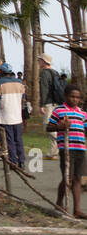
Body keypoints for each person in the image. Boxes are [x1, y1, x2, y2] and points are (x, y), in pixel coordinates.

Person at [46, 84, 86, 218]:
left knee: (77, 179)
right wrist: (60, 126)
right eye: (72, 96)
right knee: (67, 178)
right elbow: (49, 127)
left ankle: (77, 210)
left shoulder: (82, 113)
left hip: (80, 148)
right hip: (66, 149)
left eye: (77, 98)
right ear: (66, 96)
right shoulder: (59, 111)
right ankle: (59, 202)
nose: (75, 99)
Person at [0, 62, 26, 169]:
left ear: (2, 72)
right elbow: (22, 100)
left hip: (4, 116)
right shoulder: (20, 83)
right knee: (18, 139)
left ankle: (13, 161)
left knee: (9, 140)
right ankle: (21, 161)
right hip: (17, 116)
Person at [39, 53, 66, 160]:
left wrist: (42, 105)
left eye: (40, 60)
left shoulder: (45, 73)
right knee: (54, 124)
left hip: (49, 103)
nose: (38, 62)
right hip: (58, 102)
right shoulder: (55, 72)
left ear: (44, 61)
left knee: (48, 126)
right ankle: (53, 152)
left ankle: (63, 143)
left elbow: (44, 90)